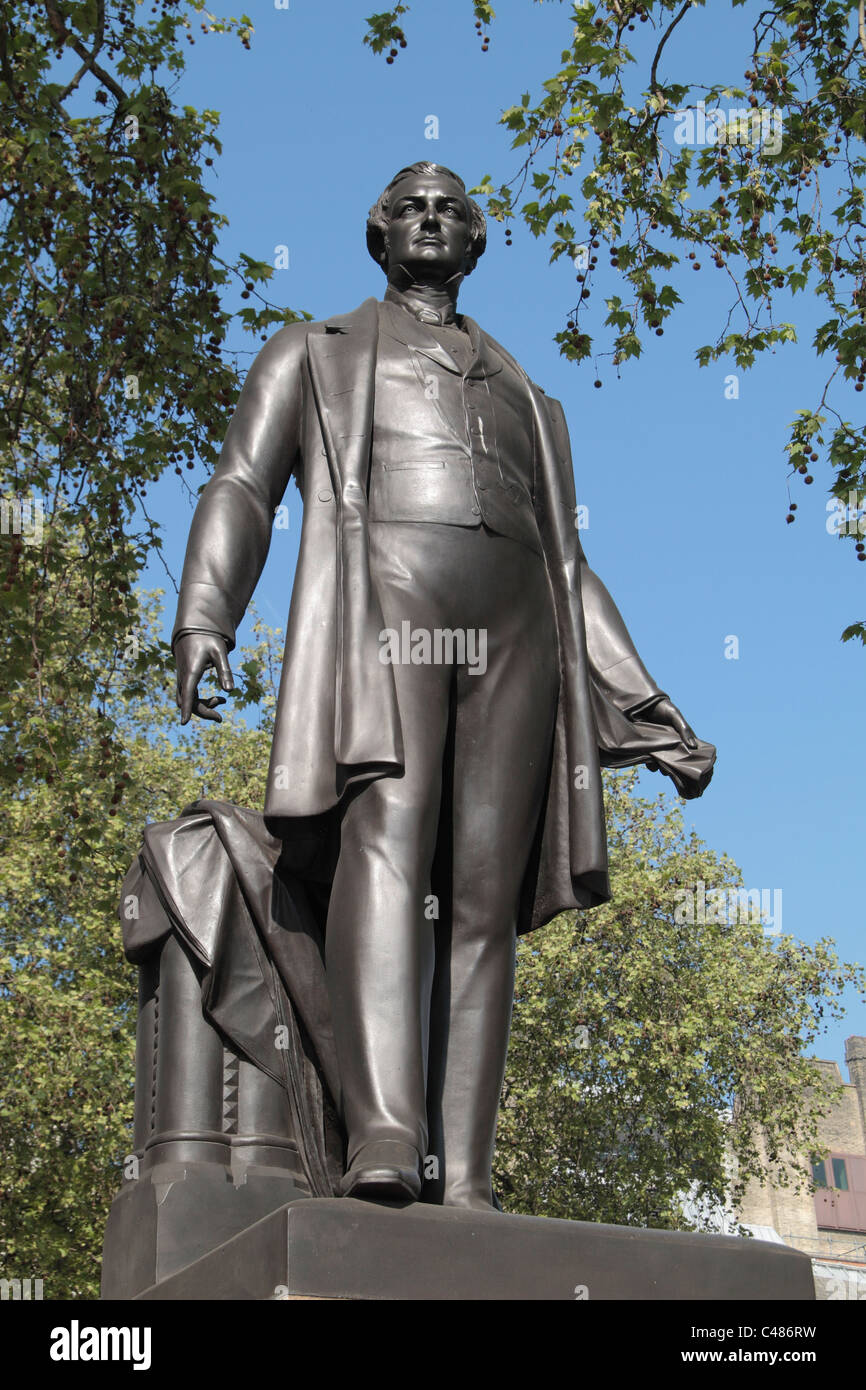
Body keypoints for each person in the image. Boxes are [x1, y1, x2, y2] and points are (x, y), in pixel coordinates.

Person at [173, 162, 714, 1210]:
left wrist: (639, 701)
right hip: (388, 597)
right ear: (377, 233)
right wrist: (205, 613)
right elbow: (242, 479)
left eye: (453, 208)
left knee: (481, 889)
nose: (432, 216)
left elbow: (568, 566)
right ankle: (383, 1128)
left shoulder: (529, 398)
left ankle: (463, 1172)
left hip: (517, 621)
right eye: (410, 204)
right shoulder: (313, 348)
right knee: (388, 831)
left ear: (476, 242)